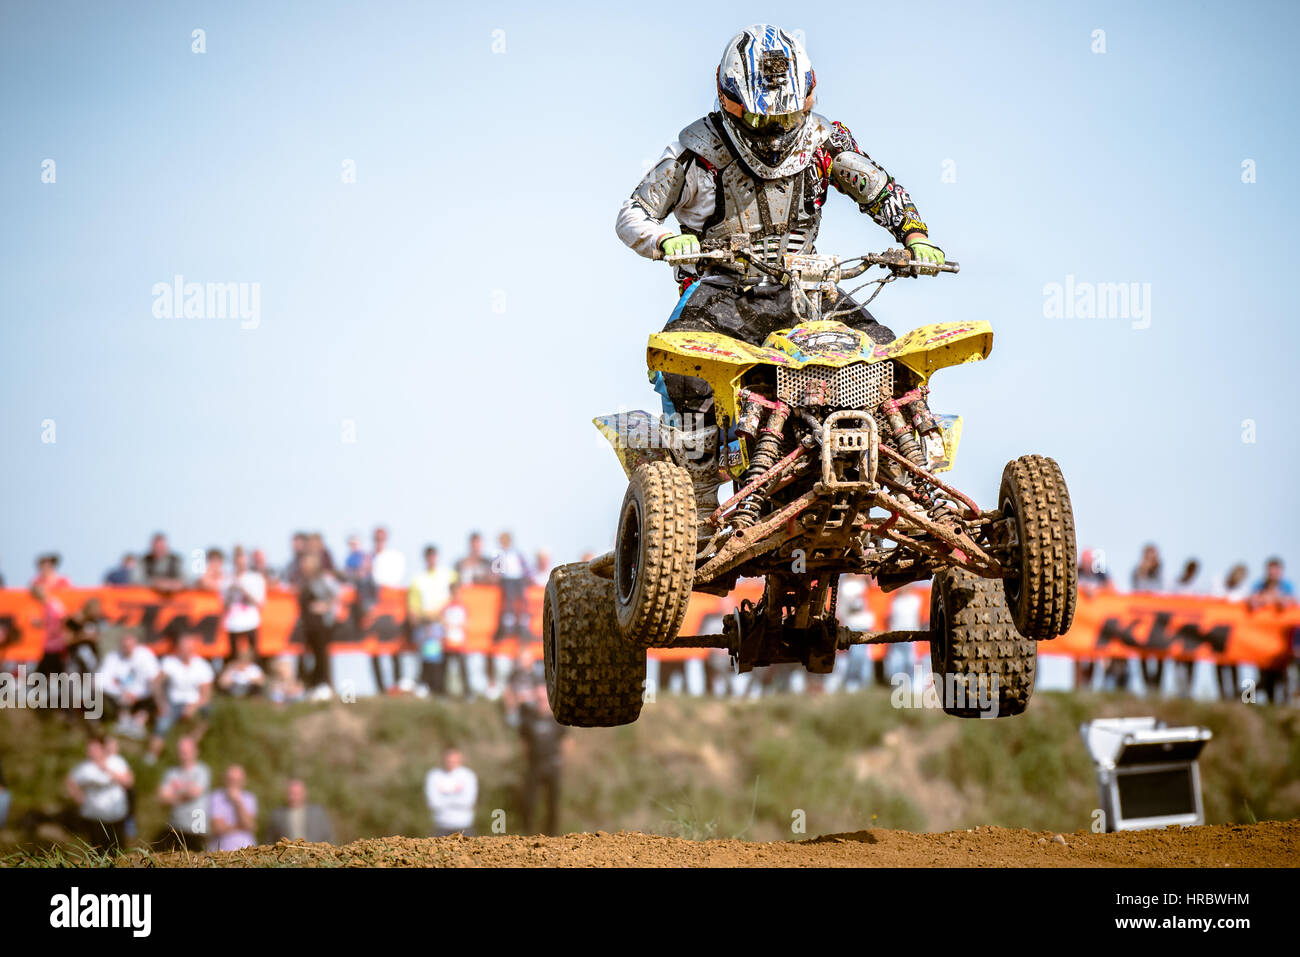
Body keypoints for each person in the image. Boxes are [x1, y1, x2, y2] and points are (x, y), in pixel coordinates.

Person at [616, 24, 945, 540]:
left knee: (888, 356)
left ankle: (912, 473)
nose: (774, 133)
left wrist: (914, 234)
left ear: (806, 98)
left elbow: (877, 187)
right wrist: (663, 241)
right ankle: (699, 502)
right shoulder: (695, 149)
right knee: (682, 363)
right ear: (731, 101)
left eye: (785, 117)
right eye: (764, 119)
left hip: (808, 290)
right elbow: (632, 214)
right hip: (721, 290)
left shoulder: (822, 140)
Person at [149, 633, 215, 762]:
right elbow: (156, 684)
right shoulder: (170, 663)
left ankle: (190, 750)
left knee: (208, 716)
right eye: (182, 649)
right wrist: (161, 703)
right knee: (162, 725)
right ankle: (151, 757)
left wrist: (194, 706)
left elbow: (206, 695)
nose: (185, 652)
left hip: (195, 703)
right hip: (173, 703)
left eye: (188, 649)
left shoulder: (202, 666)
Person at [65, 736, 133, 853]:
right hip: (93, 818)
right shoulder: (84, 767)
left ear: (103, 749)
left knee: (118, 851)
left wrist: (107, 769)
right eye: (89, 749)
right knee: (98, 852)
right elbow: (70, 782)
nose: (91, 752)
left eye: (95, 749)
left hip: (116, 817)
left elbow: (128, 782)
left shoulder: (116, 762)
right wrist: (77, 796)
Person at [518, 685, 566, 835]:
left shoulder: (558, 719)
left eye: (544, 699)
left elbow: (565, 742)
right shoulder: (529, 720)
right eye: (539, 699)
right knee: (529, 803)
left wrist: (561, 761)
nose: (542, 702)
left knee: (553, 805)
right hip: (534, 766)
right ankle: (528, 834)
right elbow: (524, 743)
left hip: (553, 765)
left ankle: (552, 835)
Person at [409, 545, 455, 696]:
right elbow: (413, 604)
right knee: (428, 656)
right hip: (426, 623)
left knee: (444, 658)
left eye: (433, 556)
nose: (431, 559)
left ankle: (440, 688)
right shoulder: (418, 579)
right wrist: (423, 617)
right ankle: (429, 685)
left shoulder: (448, 574)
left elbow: (456, 592)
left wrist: (442, 614)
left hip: (446, 622)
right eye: (429, 556)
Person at [97, 630, 160, 739]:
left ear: (136, 644)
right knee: (99, 691)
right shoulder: (113, 657)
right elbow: (100, 679)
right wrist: (121, 692)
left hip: (143, 695)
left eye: (130, 645)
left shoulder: (145, 656)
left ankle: (138, 724)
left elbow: (154, 678)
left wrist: (137, 694)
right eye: (124, 646)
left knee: (158, 691)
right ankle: (123, 721)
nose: (127, 648)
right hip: (120, 694)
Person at [155, 735, 211, 851]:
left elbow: (195, 792)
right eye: (180, 751)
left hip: (197, 828)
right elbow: (162, 798)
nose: (183, 754)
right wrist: (185, 793)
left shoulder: (202, 771)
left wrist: (174, 794)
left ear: (195, 752)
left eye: (186, 751)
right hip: (175, 826)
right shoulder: (171, 773)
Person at [297, 552, 339, 695]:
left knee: (322, 656)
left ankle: (324, 685)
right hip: (308, 625)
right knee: (306, 657)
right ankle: (310, 685)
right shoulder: (304, 581)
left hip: (321, 625)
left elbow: (337, 595)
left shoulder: (323, 579)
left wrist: (325, 606)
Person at [222, 545, 266, 657]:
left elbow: (260, 603)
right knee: (233, 657)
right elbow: (224, 606)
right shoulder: (227, 580)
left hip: (251, 622)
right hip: (232, 623)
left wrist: (243, 589)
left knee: (253, 656)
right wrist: (231, 591)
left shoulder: (256, 578)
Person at [424, 746, 478, 837]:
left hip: (464, 826)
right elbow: (433, 803)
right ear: (443, 759)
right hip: (441, 826)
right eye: (449, 760)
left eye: (454, 761)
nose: (451, 763)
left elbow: (468, 801)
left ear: (460, 760)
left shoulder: (468, 775)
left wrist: (444, 801)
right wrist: (457, 801)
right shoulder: (433, 775)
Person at [265, 778, 334, 844]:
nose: (293, 797)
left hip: (314, 854)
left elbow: (328, 836)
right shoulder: (277, 814)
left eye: (297, 794)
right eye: (291, 793)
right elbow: (270, 840)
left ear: (304, 794)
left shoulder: (317, 812)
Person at [209, 764, 259, 852]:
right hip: (221, 851)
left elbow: (250, 825)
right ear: (225, 780)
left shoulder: (250, 798)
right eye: (231, 780)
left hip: (247, 850)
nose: (234, 784)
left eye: (237, 781)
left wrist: (238, 803)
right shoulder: (216, 797)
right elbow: (217, 827)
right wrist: (240, 827)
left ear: (244, 782)